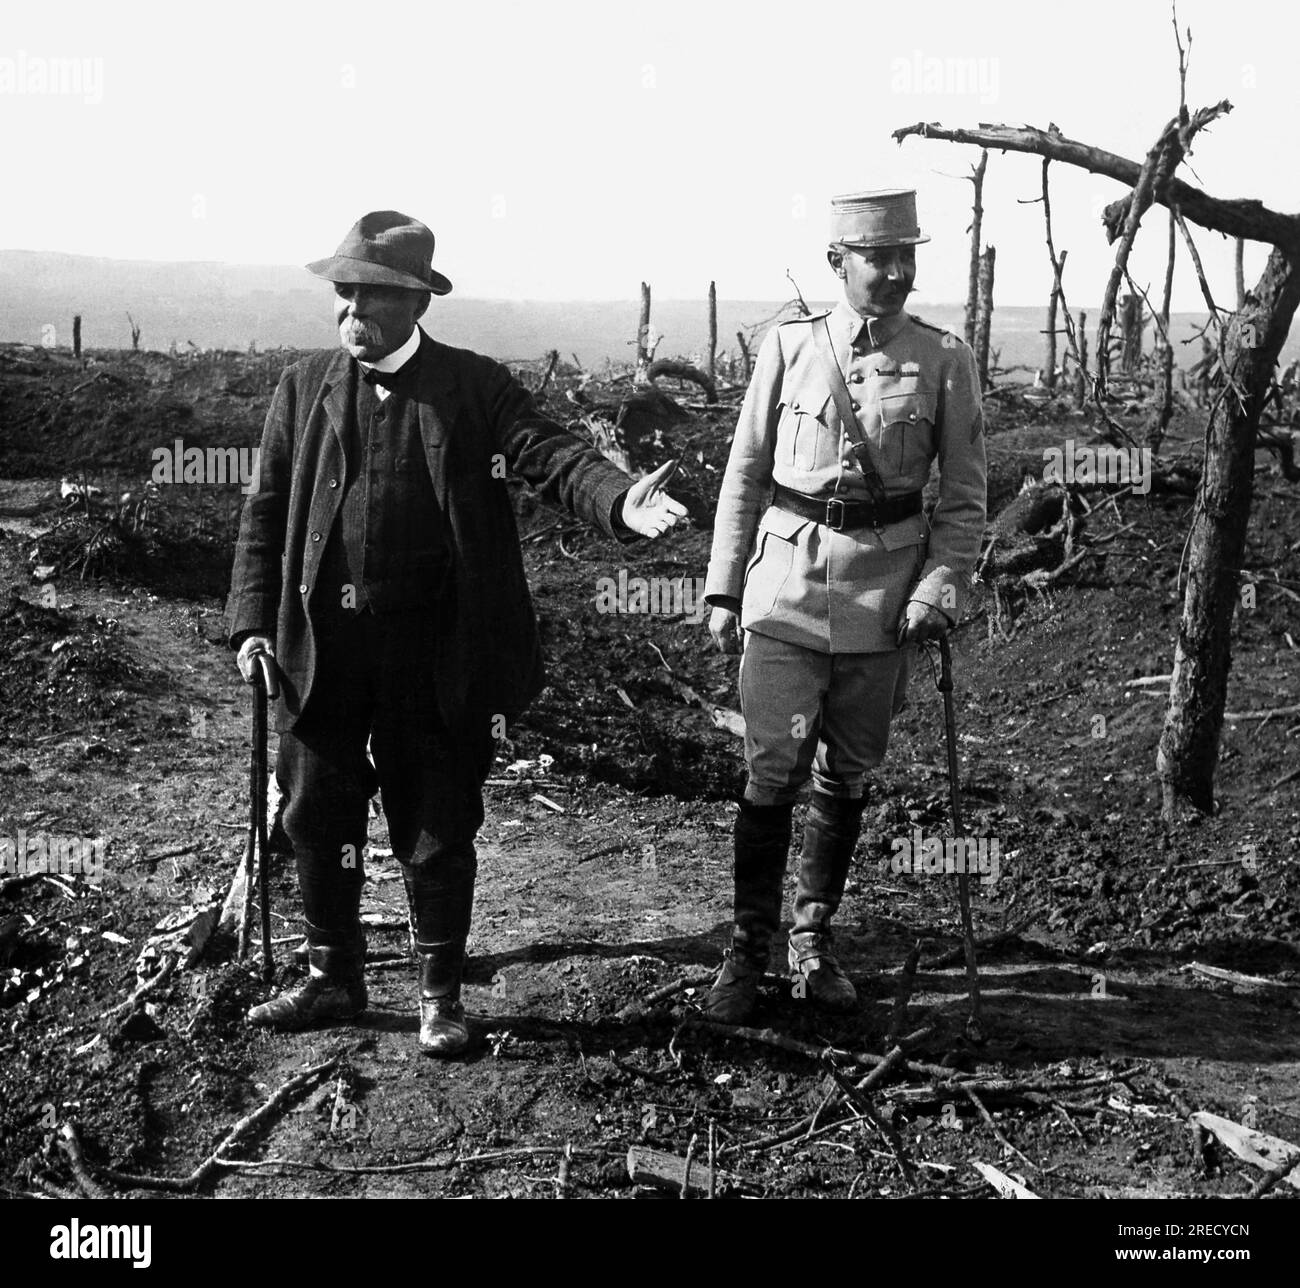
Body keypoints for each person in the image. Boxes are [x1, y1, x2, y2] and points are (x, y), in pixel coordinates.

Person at [226, 210, 685, 1055]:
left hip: (434, 652)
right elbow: (263, 515)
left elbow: (549, 454)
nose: (350, 314)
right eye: (343, 296)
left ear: (414, 303)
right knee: (313, 812)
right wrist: (253, 624)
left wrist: (618, 499)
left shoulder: (472, 388)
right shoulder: (303, 387)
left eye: (369, 298)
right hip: (322, 650)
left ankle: (441, 994)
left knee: (434, 821)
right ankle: (334, 977)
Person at [702, 189, 987, 1024]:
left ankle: (813, 938)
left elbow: (965, 497)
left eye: (906, 257)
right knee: (769, 771)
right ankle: (748, 947)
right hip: (785, 595)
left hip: (882, 602)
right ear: (839, 263)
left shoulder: (944, 361)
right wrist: (723, 588)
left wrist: (939, 586)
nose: (896, 272)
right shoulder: (790, 349)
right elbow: (746, 474)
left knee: (849, 772)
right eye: (878, 258)